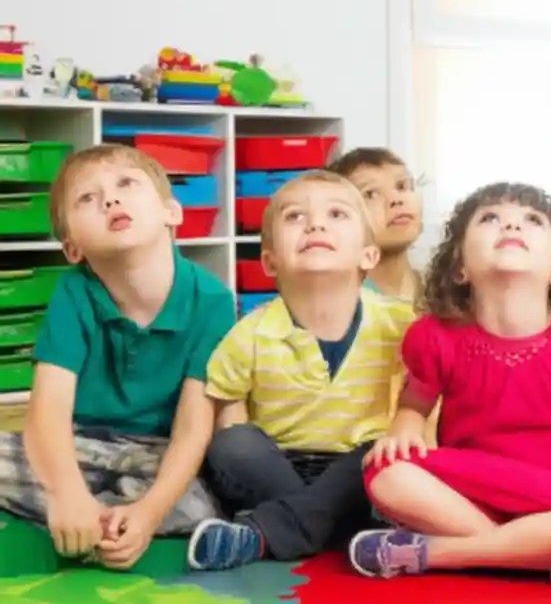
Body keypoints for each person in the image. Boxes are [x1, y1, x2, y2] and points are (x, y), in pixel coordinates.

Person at [347, 182, 551, 586]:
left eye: (532, 220)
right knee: (384, 471)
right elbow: (412, 409)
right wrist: (400, 432)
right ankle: (540, 554)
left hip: (549, 495)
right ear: (460, 268)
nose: (511, 224)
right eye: (490, 218)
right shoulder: (437, 338)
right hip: (465, 489)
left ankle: (435, 553)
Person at [0, 144, 231, 569]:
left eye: (126, 183)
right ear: (72, 248)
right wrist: (65, 491)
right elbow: (47, 413)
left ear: (171, 213)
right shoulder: (73, 292)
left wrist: (147, 515)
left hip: (156, 453)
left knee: (199, 503)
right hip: (79, 443)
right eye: (88, 198)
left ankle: (98, 523)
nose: (110, 199)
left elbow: (192, 431)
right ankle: (85, 516)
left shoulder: (213, 301)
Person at [185, 170, 416, 571]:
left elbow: (426, 398)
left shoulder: (402, 325)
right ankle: (326, 523)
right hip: (279, 463)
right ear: (270, 261)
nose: (315, 224)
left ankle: (270, 532)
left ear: (368, 255)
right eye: (295, 217)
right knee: (232, 445)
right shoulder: (250, 334)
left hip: (357, 464)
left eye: (337, 215)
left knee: (386, 458)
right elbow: (229, 408)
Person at [328, 148, 424, 301]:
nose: (396, 200)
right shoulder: (343, 306)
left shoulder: (442, 289)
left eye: (402, 186)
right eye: (370, 194)